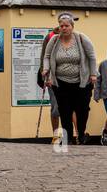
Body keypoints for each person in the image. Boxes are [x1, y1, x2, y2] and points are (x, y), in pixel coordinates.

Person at [41, 13, 97, 145]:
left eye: (67, 25)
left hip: (82, 82)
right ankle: (68, 138)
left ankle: (81, 134)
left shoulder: (82, 39)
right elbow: (47, 56)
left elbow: (92, 56)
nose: (64, 28)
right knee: (64, 110)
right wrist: (46, 69)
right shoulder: (54, 40)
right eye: (61, 26)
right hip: (60, 82)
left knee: (82, 110)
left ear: (72, 26)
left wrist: (93, 74)